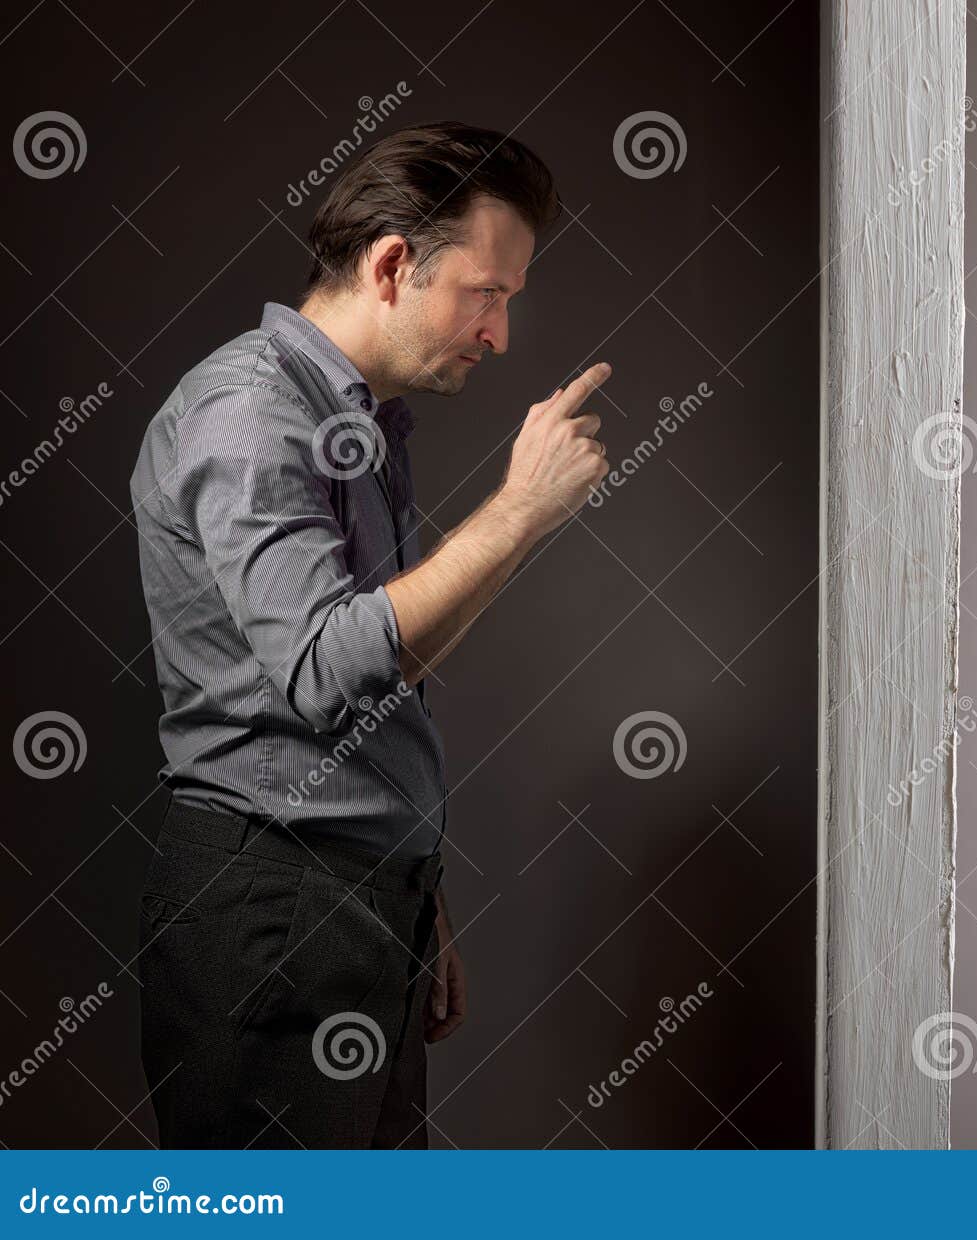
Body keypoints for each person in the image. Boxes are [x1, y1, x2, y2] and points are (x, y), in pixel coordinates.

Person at [127, 120, 612, 1147]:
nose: (499, 335)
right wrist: (517, 509)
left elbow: (386, 667)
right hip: (272, 911)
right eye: (487, 293)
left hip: (345, 898)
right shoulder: (251, 412)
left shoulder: (359, 420)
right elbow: (320, 666)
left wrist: (406, 885)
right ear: (392, 263)